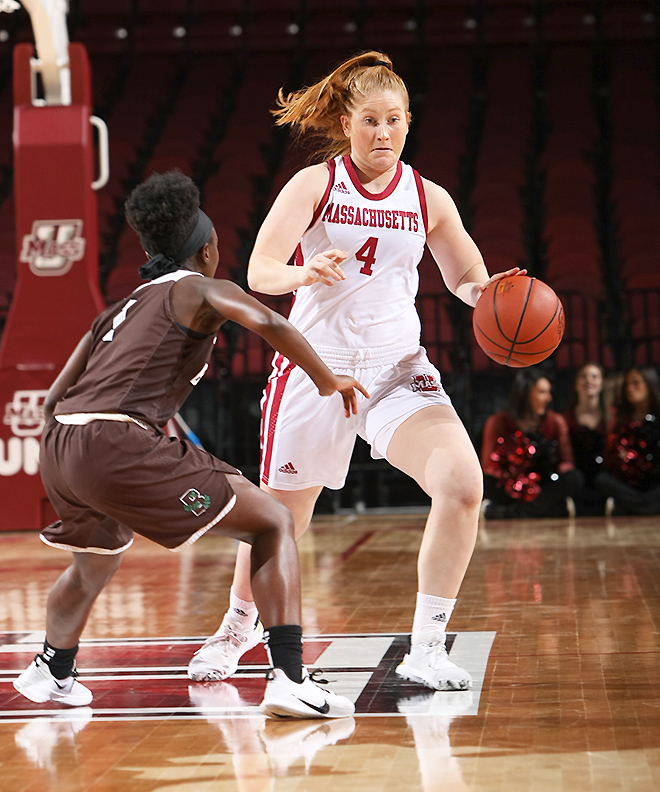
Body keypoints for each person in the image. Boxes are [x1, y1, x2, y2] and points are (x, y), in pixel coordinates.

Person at [187, 50, 525, 692]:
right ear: (347, 123)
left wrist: (494, 295)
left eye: (394, 121)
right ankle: (236, 627)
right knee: (282, 518)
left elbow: (464, 278)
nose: (383, 133)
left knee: (461, 484)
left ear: (408, 123)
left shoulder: (428, 196)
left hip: (398, 367)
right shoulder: (315, 185)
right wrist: (304, 272)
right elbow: (259, 273)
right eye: (370, 120)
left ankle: (426, 647)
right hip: (318, 367)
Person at [13, 170, 370, 719]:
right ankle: (290, 678)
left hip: (62, 446)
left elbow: (57, 394)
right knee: (271, 521)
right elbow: (269, 321)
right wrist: (327, 378)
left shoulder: (122, 306)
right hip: (114, 442)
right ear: (206, 250)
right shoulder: (202, 287)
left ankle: (53, 669)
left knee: (94, 563)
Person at [480, 367, 584, 519]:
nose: (548, 398)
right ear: (524, 393)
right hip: (510, 486)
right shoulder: (497, 421)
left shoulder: (555, 421)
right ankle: (542, 510)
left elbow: (567, 462)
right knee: (483, 480)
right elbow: (488, 465)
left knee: (574, 478)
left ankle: (513, 513)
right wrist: (513, 477)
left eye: (548, 392)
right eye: (541, 392)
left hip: (543, 485)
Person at [595, 366, 660, 515]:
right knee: (602, 480)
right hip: (628, 483)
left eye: (636, 383)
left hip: (654, 481)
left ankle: (638, 506)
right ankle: (645, 507)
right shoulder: (621, 420)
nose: (630, 388)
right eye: (627, 385)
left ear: (649, 384)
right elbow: (608, 457)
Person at [563, 362, 608, 515]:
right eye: (583, 376)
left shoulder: (611, 416)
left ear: (601, 383)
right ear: (576, 384)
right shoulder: (565, 418)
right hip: (577, 478)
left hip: (604, 478)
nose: (589, 380)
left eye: (594, 376)